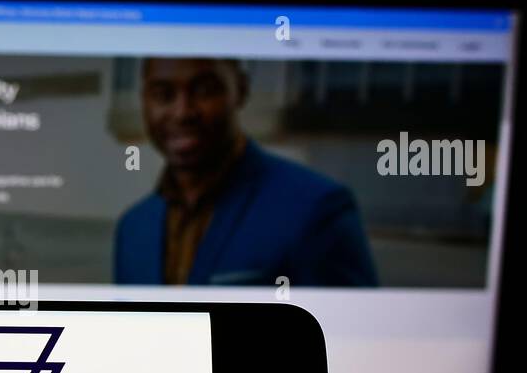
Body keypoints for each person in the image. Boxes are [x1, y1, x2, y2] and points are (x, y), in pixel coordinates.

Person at [115, 58, 379, 287]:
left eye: (205, 90)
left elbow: (355, 339)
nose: (183, 112)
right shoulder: (133, 228)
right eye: (163, 94)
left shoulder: (317, 210)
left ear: (240, 90)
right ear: (144, 101)